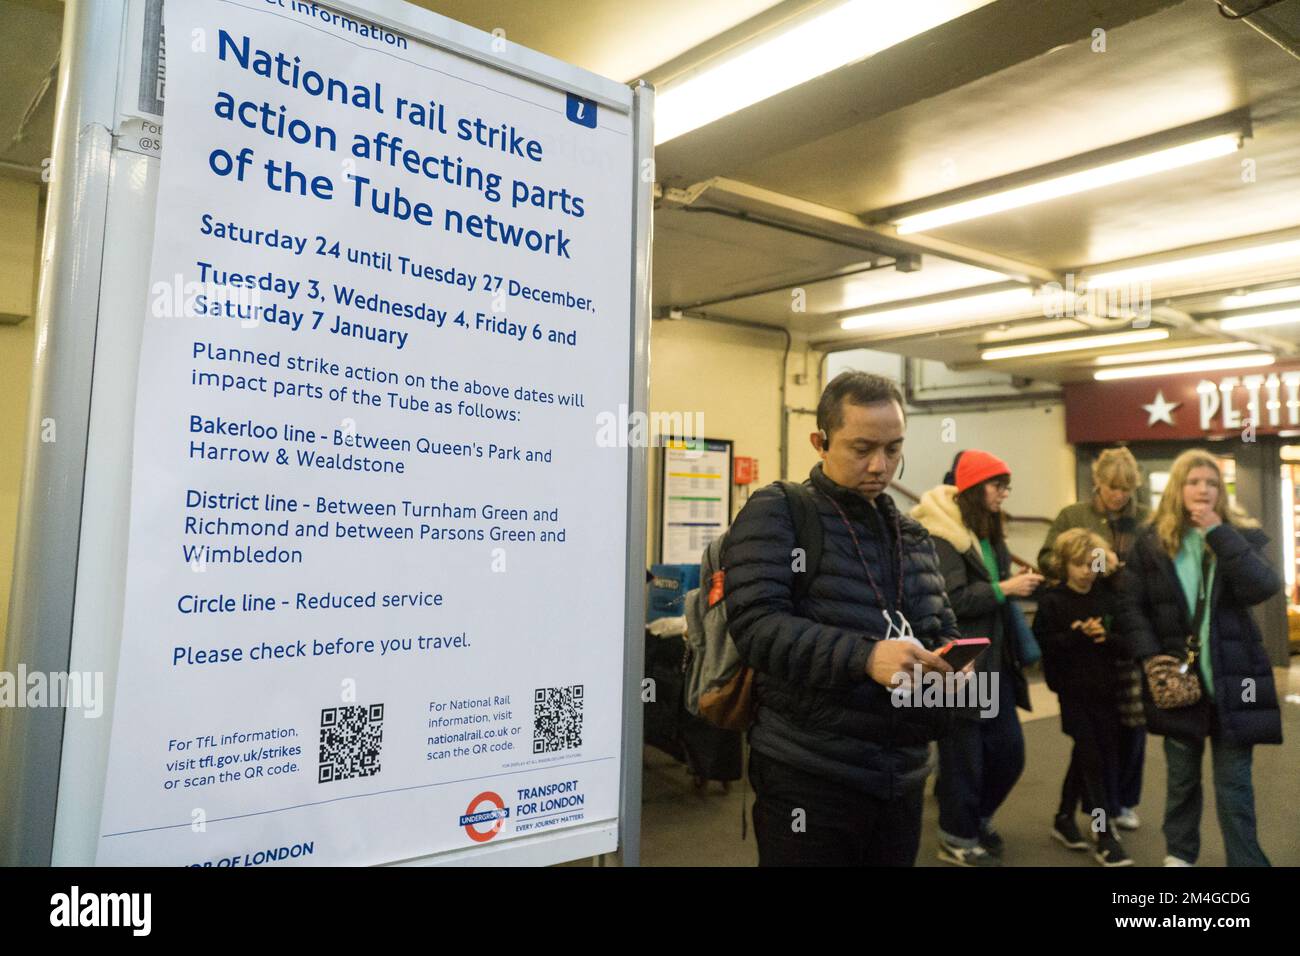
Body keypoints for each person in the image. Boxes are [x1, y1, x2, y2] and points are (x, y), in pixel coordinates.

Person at [723, 371, 961, 866]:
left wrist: (952, 667)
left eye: (893, 449)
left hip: (901, 776)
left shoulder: (913, 536)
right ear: (821, 442)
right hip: (809, 775)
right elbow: (756, 627)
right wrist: (866, 657)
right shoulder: (780, 512)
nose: (880, 465)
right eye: (862, 448)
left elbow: (941, 628)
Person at [1114, 449, 1282, 867]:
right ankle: (1180, 854)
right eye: (1193, 482)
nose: (1203, 489)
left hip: (1234, 678)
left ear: (1220, 490)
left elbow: (1263, 586)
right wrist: (1151, 658)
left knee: (1235, 786)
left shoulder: (1239, 534)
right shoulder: (1151, 543)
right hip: (1179, 680)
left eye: (1211, 482)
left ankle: (1246, 861)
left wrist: (1218, 533)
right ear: (1178, 488)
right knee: (1182, 780)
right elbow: (1130, 606)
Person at [912, 449, 1042, 866]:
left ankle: (977, 819)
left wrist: (1012, 585)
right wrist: (1006, 588)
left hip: (994, 662)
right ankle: (957, 836)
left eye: (1006, 486)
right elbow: (951, 598)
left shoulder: (988, 531)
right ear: (973, 489)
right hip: (958, 664)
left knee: (1008, 753)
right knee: (963, 761)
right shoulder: (942, 535)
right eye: (997, 485)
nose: (1004, 493)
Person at [1039, 447, 1149, 831]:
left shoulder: (1142, 520)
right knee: (1094, 735)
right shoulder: (1074, 515)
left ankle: (1120, 802)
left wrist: (1122, 570)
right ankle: (1103, 808)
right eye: (1112, 487)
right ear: (1096, 482)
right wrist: (1091, 561)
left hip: (1126, 623)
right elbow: (1048, 559)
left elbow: (1153, 568)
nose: (1119, 495)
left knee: (1132, 725)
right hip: (1087, 628)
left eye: (1126, 489)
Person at [1034, 528, 1132, 867]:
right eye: (1079, 564)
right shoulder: (1052, 601)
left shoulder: (1107, 597)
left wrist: (1106, 636)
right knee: (1092, 759)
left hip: (1106, 690)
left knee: (1089, 754)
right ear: (1065, 564)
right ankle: (1104, 833)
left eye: (1092, 564)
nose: (1086, 571)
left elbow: (1127, 642)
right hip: (1072, 692)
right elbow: (1045, 647)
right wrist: (1076, 635)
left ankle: (1064, 817)